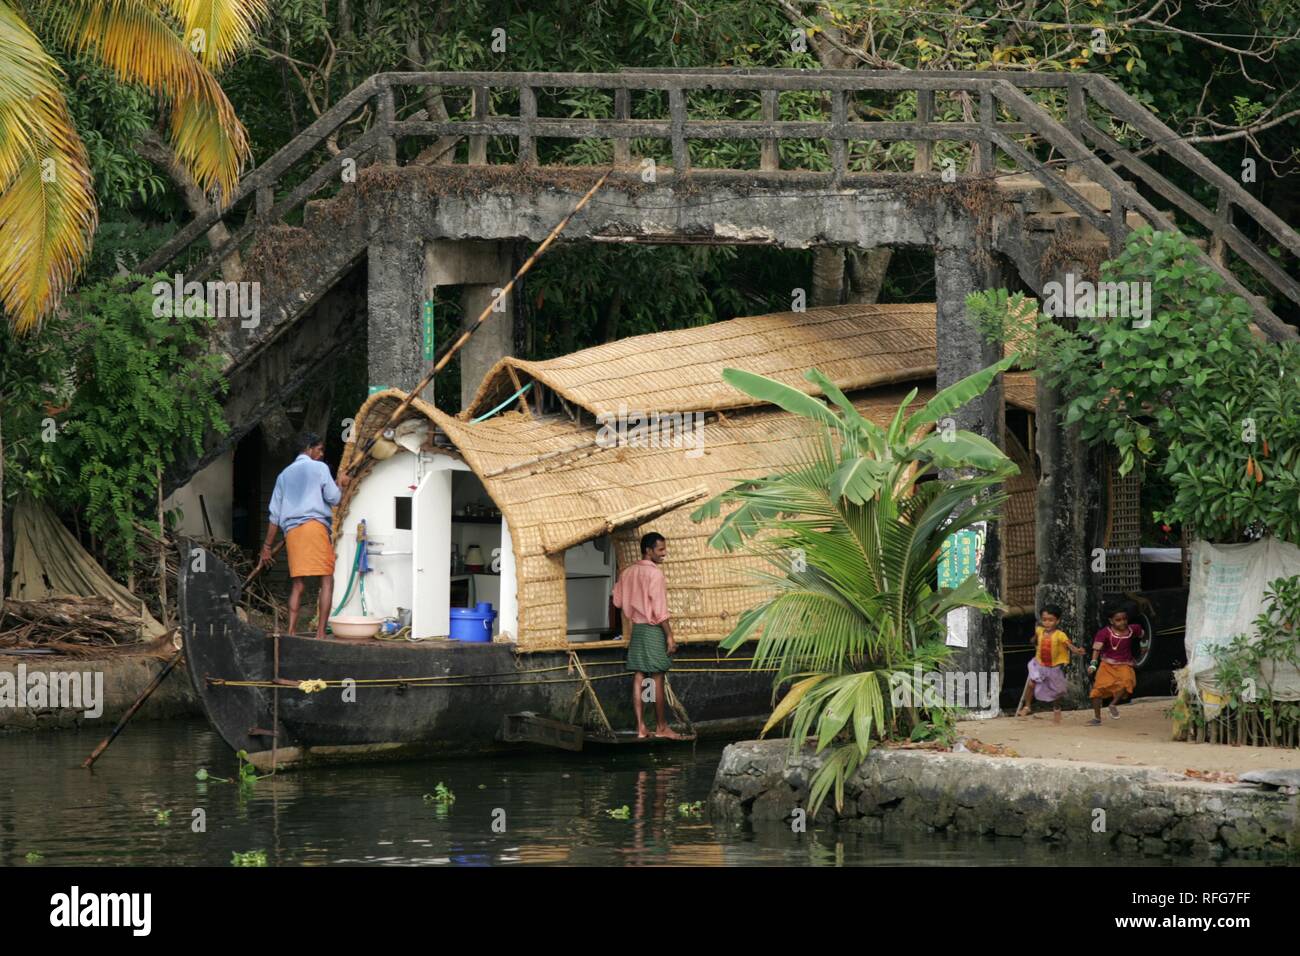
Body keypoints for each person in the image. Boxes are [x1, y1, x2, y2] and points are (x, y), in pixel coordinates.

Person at [259, 432, 350, 638]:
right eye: (319, 450)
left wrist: (266, 547)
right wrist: (341, 483)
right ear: (309, 448)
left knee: (298, 583)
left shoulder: (283, 475)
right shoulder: (319, 468)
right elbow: (334, 499)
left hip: (292, 532)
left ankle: (290, 632)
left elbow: (274, 516)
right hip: (314, 527)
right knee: (326, 579)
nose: (321, 454)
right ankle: (320, 634)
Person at [611, 532, 683, 740]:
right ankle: (661, 727)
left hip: (637, 630)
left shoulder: (627, 572)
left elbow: (616, 601)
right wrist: (669, 636)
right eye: (660, 550)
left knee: (639, 676)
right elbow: (660, 612)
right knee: (658, 677)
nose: (664, 553)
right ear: (648, 551)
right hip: (653, 630)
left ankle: (641, 727)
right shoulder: (655, 575)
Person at [1017, 604, 1084, 723]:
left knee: (1057, 691)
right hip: (1038, 664)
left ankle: (1057, 707)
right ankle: (1027, 706)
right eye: (1044, 620)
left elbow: (1069, 645)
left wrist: (1077, 650)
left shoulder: (1060, 635)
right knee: (1031, 684)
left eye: (1050, 620)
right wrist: (1033, 640)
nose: (1047, 623)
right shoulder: (1039, 630)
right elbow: (1034, 639)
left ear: (1057, 621)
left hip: (1053, 668)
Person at [1088, 603, 1141, 724]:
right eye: (1118, 620)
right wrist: (1093, 664)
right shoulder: (1104, 633)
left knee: (1127, 681)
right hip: (1107, 665)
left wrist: (1143, 648)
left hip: (1125, 664)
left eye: (1124, 619)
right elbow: (1096, 650)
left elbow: (1143, 635)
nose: (1122, 622)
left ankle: (1112, 704)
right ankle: (1097, 717)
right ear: (1111, 621)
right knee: (1097, 691)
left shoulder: (1133, 629)